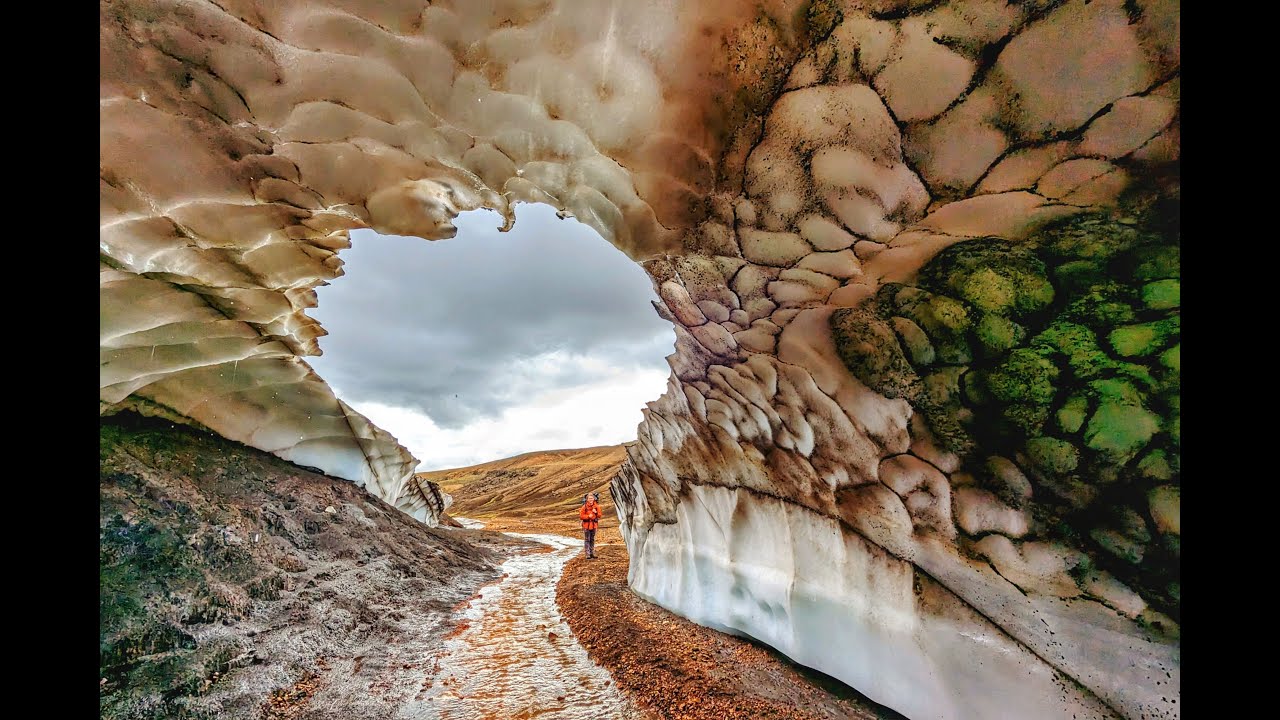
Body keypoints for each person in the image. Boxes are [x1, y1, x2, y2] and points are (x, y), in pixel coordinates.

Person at [579, 492, 602, 559]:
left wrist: (596, 512)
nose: (591, 499)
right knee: (587, 539)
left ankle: (592, 553)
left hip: (594, 525)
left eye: (592, 498)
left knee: (592, 539)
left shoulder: (597, 506)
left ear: (594, 499)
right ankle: (587, 554)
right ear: (587, 499)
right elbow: (581, 516)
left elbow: (600, 515)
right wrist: (588, 516)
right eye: (589, 498)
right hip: (586, 526)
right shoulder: (584, 507)